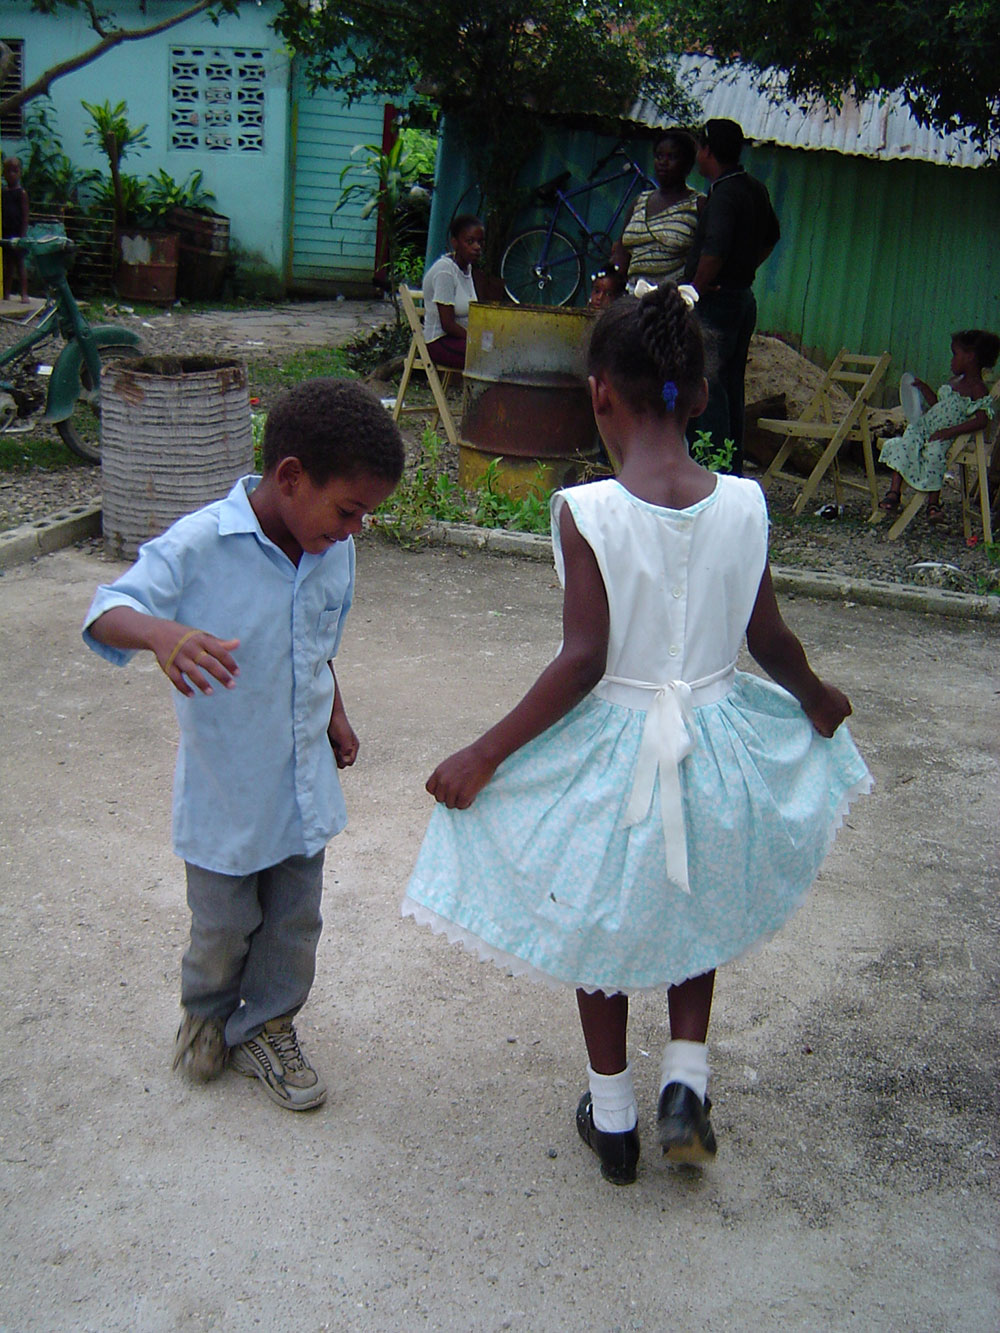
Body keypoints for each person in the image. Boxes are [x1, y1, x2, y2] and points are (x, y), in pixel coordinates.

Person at [402, 283, 870, 1185]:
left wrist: (485, 752)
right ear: (698, 395)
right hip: (718, 740)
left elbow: (584, 659)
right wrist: (817, 696)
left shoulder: (589, 510)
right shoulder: (744, 502)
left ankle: (613, 1117)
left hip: (619, 748)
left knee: (604, 920)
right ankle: (685, 1092)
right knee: (695, 913)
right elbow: (767, 638)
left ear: (598, 392)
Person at [83, 379, 403, 1111]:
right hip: (228, 788)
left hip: (302, 782)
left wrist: (336, 714)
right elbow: (108, 611)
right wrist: (161, 633)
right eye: (348, 508)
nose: (356, 527)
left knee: (294, 922)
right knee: (225, 923)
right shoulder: (200, 545)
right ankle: (207, 1011)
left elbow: (315, 644)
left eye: (367, 514)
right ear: (290, 476)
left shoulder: (332, 550)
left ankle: (267, 1024)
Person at [683, 119, 780, 475]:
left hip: (716, 303)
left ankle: (711, 468)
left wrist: (697, 287)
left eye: (699, 147)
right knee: (730, 385)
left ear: (707, 150)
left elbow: (715, 250)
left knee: (708, 384)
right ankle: (730, 467)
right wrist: (745, 269)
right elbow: (772, 237)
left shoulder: (724, 194)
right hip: (742, 297)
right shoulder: (753, 188)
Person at [878, 329, 999, 523]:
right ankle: (894, 493)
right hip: (925, 427)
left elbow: (982, 420)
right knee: (903, 444)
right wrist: (925, 389)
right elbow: (938, 406)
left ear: (970, 357)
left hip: (945, 436)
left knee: (935, 455)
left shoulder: (977, 389)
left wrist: (949, 432)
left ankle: (933, 503)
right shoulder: (954, 382)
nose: (952, 361)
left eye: (955, 354)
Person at [610, 130, 701, 290]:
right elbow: (622, 249)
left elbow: (707, 254)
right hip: (634, 299)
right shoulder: (639, 201)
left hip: (673, 302)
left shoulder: (698, 205)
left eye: (671, 157)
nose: (663, 162)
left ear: (688, 164)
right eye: (659, 156)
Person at [421, 214, 485, 369]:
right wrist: (475, 339)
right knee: (488, 357)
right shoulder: (445, 271)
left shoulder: (467, 268)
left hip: (460, 340)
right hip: (439, 342)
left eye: (480, 242)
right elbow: (447, 324)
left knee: (497, 349)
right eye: (470, 242)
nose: (477, 247)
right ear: (455, 243)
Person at [2, 156, 30, 303]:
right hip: (6, 231)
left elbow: (25, 216)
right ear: (3, 173)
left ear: (20, 173)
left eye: (15, 171)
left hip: (18, 233)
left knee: (20, 264)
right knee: (8, 265)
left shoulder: (22, 193)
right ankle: (6, 293)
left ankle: (24, 293)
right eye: (8, 171)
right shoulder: (3, 193)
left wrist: (23, 235)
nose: (11, 174)